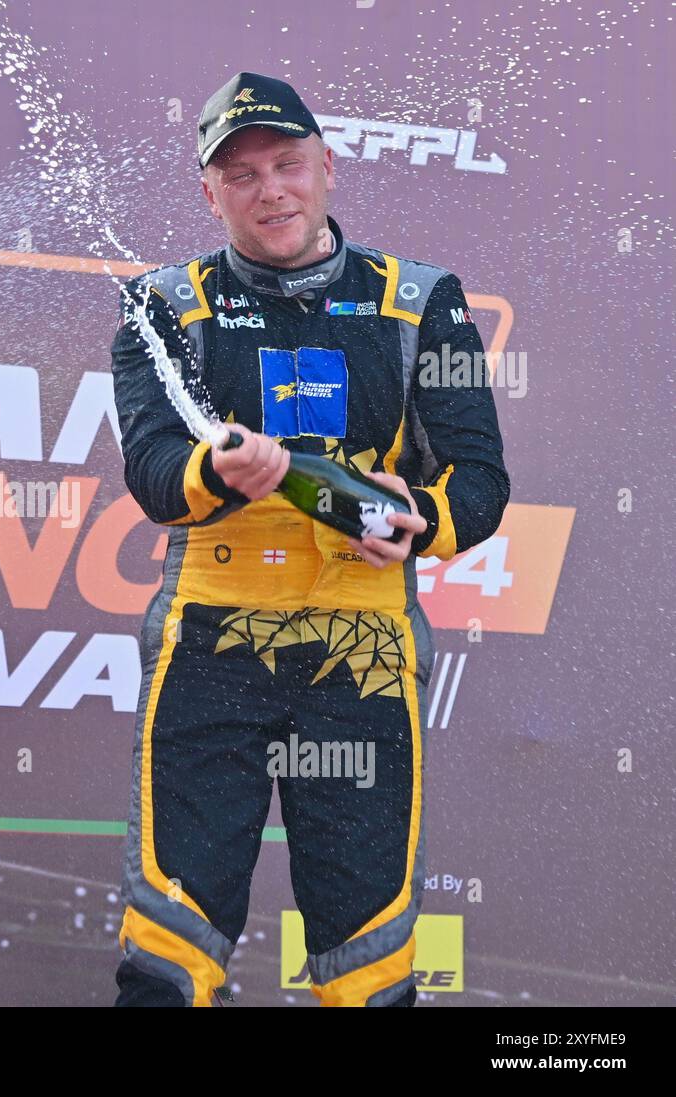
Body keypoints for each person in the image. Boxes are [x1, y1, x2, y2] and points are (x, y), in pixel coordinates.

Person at [110, 72, 509, 1007]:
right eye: (241, 176)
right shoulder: (161, 304)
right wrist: (217, 474)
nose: (271, 191)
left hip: (362, 650)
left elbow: (482, 481)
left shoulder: (424, 299)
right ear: (209, 192)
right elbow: (153, 472)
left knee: (366, 951)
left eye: (287, 165)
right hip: (210, 643)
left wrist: (420, 518)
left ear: (327, 167)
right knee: (169, 944)